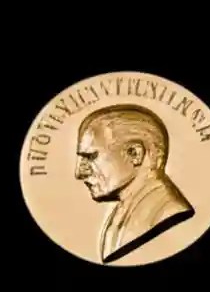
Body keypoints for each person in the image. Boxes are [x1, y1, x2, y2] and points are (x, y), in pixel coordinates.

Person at [74, 104, 194, 263]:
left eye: (90, 157)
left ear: (134, 154)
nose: (79, 172)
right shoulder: (122, 213)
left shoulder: (166, 212)